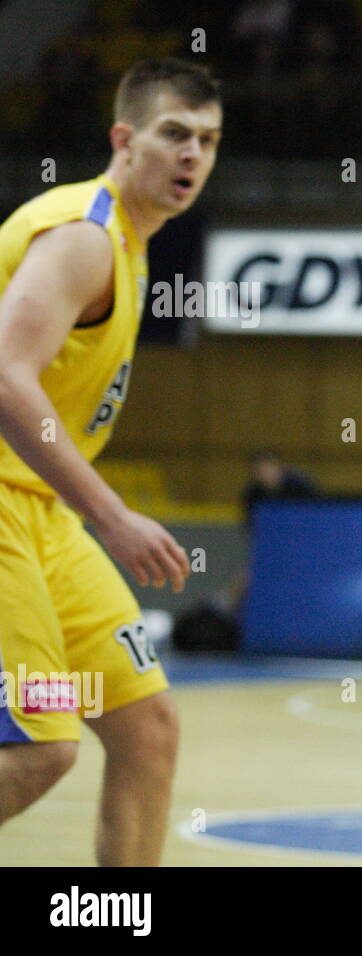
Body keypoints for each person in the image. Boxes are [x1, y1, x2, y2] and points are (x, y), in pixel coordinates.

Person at [0, 58, 221, 864]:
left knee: (144, 723)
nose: (191, 155)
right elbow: (5, 378)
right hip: (3, 511)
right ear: (124, 140)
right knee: (39, 744)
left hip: (39, 517)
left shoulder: (128, 244)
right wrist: (114, 514)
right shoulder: (85, 238)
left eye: (207, 139)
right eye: (173, 134)